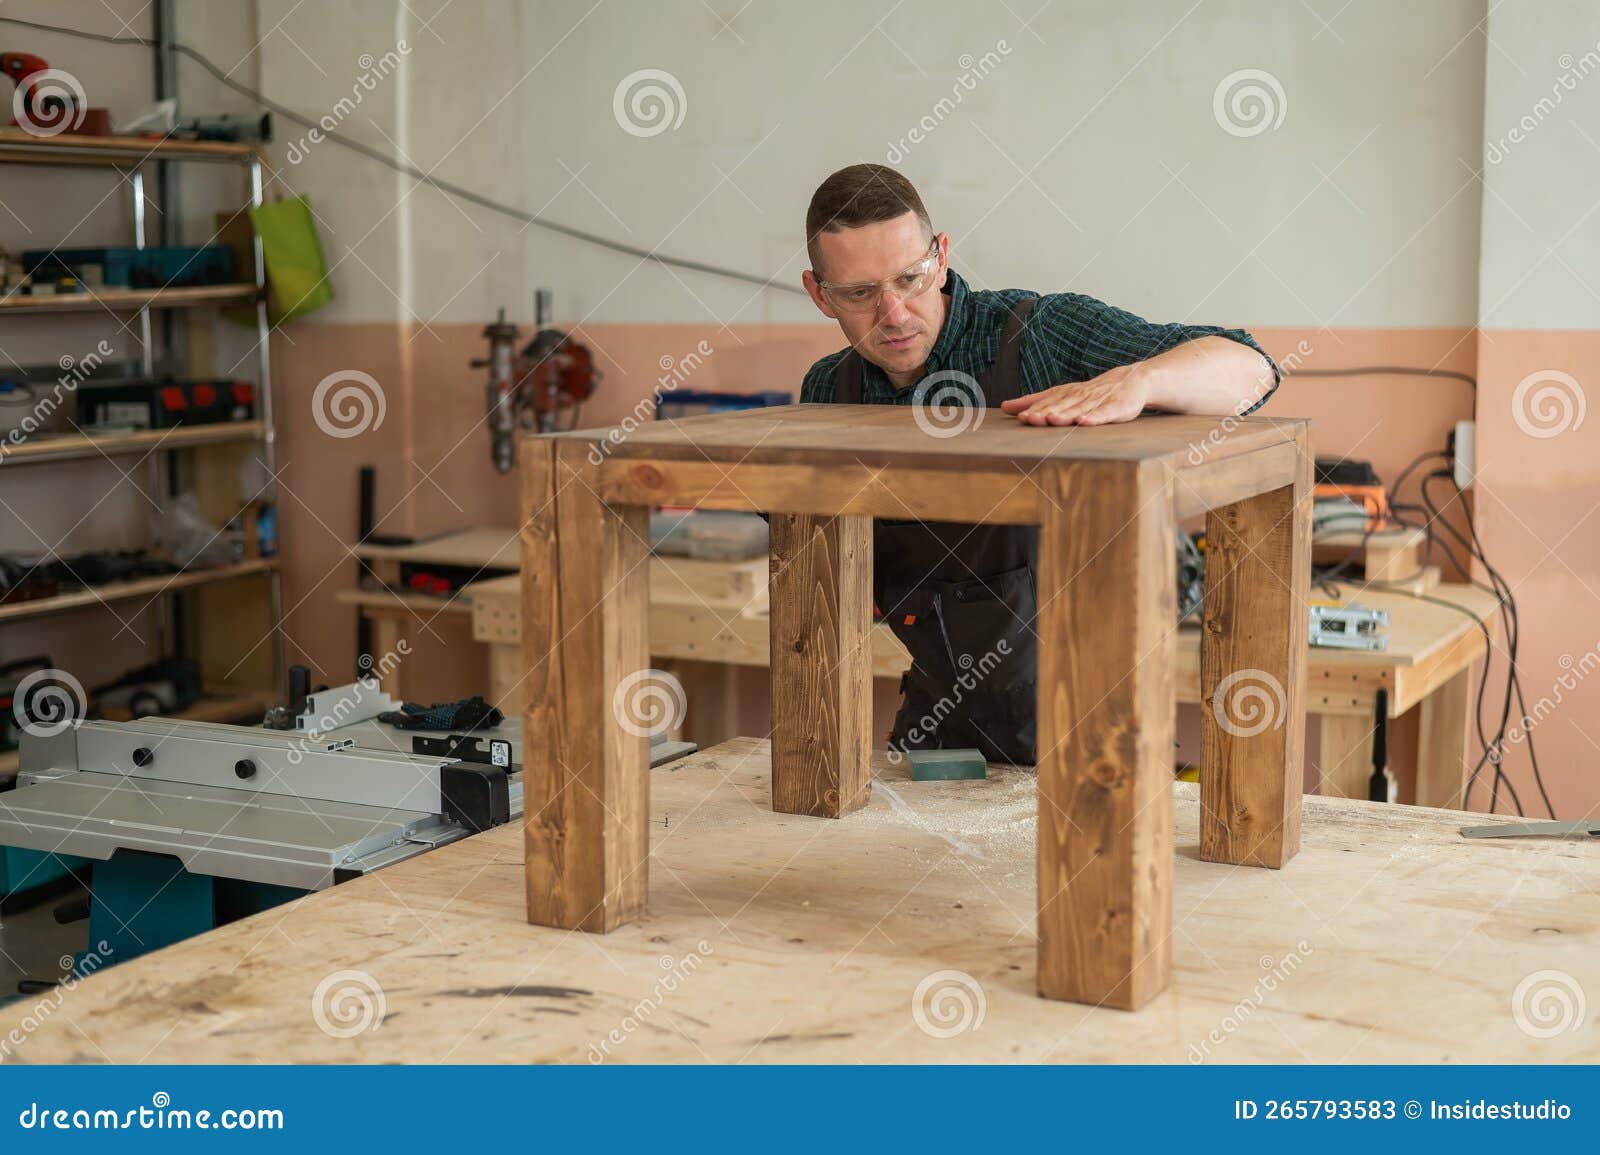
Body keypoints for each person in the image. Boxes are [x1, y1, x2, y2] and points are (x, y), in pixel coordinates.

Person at [799, 163, 1280, 765]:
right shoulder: (829, 393)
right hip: (941, 717)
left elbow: (1252, 367)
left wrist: (1140, 379)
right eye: (860, 294)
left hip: (1088, 718)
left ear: (941, 257)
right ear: (820, 294)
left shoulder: (1039, 336)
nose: (893, 313)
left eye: (911, 278)